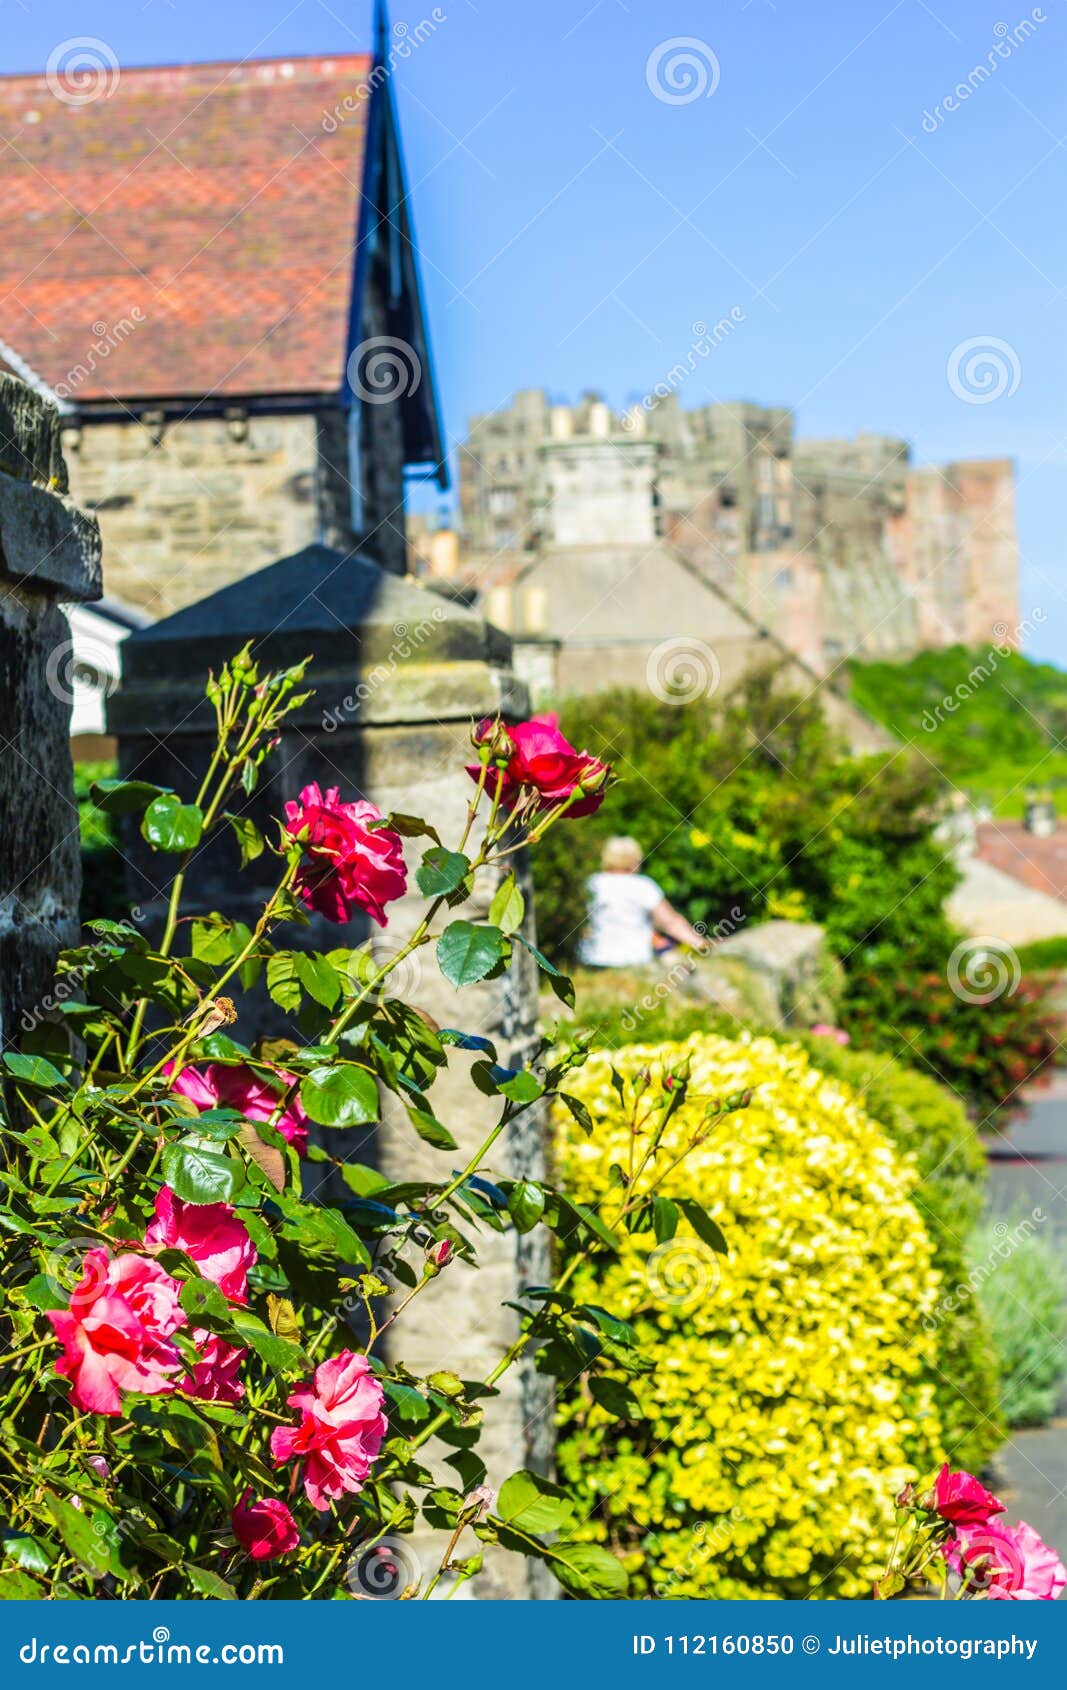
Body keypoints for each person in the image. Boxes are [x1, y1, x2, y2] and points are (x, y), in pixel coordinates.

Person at [579, 837, 708, 969]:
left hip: (592, 961)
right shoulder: (642, 886)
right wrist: (699, 943)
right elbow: (669, 923)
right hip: (634, 962)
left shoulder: (591, 884)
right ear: (633, 860)